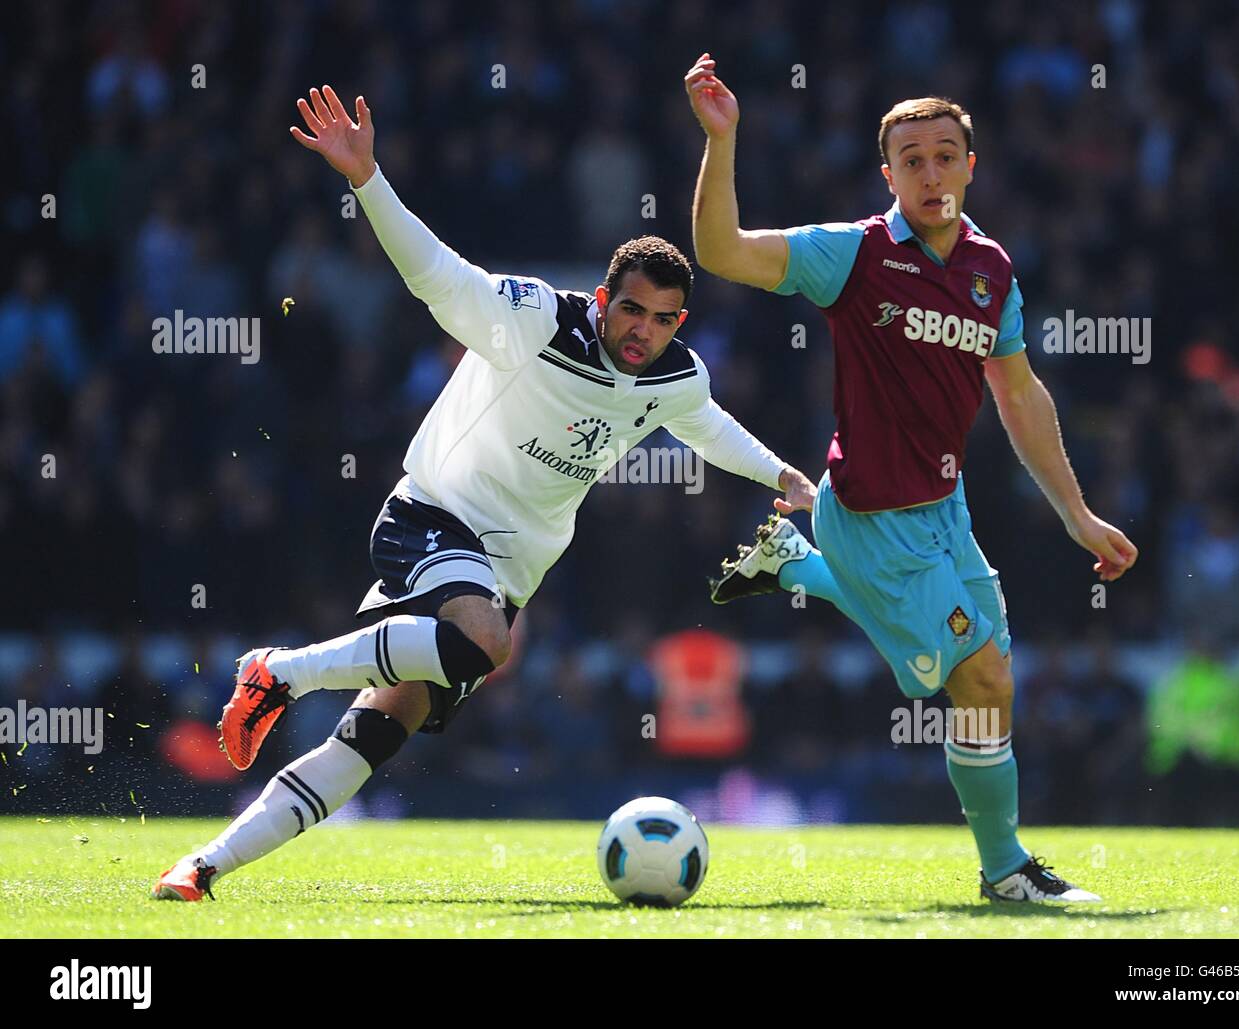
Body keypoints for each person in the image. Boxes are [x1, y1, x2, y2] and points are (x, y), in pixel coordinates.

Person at [151, 84, 816, 901]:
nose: (645, 330)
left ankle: (204, 864)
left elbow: (708, 427)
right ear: (604, 299)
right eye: (633, 311)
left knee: (373, 734)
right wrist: (367, 180)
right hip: (432, 514)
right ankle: (278, 671)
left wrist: (784, 476)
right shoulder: (535, 318)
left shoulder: (674, 375)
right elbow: (437, 276)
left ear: (681, 323)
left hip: (507, 569)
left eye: (664, 319)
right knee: (487, 641)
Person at [685, 54, 1138, 902]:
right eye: (911, 159)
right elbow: (720, 252)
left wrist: (1076, 513)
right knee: (975, 678)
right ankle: (1005, 870)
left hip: (945, 509)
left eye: (945, 155)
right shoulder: (850, 256)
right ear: (886, 172)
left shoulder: (992, 269)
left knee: (993, 674)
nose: (930, 172)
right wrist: (724, 138)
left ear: (972, 164)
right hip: (871, 514)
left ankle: (792, 561)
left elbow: (1019, 391)